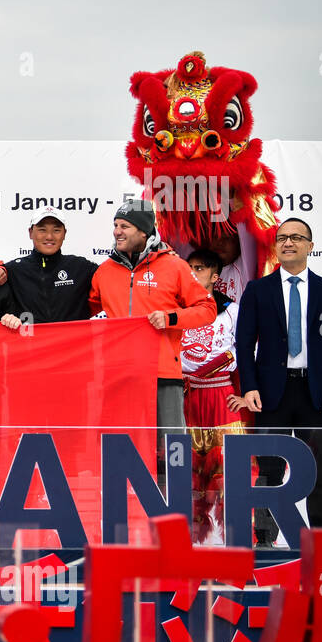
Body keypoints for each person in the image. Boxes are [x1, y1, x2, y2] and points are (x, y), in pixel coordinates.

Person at [235, 218, 322, 545]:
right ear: (275, 246)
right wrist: (250, 387)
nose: (288, 242)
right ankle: (265, 540)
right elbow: (244, 344)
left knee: (317, 471)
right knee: (269, 470)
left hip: (316, 395)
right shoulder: (258, 290)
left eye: (297, 237)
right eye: (282, 237)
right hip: (271, 394)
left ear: (310, 247)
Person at [88, 199, 215, 493]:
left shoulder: (174, 267)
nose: (117, 232)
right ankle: (123, 519)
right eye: (115, 226)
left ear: (144, 232)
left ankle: (173, 519)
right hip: (118, 377)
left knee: (172, 451)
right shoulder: (104, 272)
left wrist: (172, 317)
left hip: (163, 375)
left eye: (125, 226)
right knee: (119, 448)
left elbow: (206, 309)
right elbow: (93, 312)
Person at [181, 248, 252, 544]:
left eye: (200, 268)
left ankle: (236, 541)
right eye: (190, 267)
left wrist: (247, 395)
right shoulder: (173, 309)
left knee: (232, 467)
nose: (194, 273)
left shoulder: (232, 310)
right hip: (186, 396)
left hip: (222, 394)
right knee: (185, 470)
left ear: (215, 275)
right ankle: (188, 541)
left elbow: (247, 352)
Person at [0, 208, 97, 323]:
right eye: (42, 230)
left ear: (64, 234)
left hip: (74, 341)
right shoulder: (12, 271)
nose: (49, 236)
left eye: (56, 230)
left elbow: (114, 277)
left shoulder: (81, 267)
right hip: (30, 340)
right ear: (30, 233)